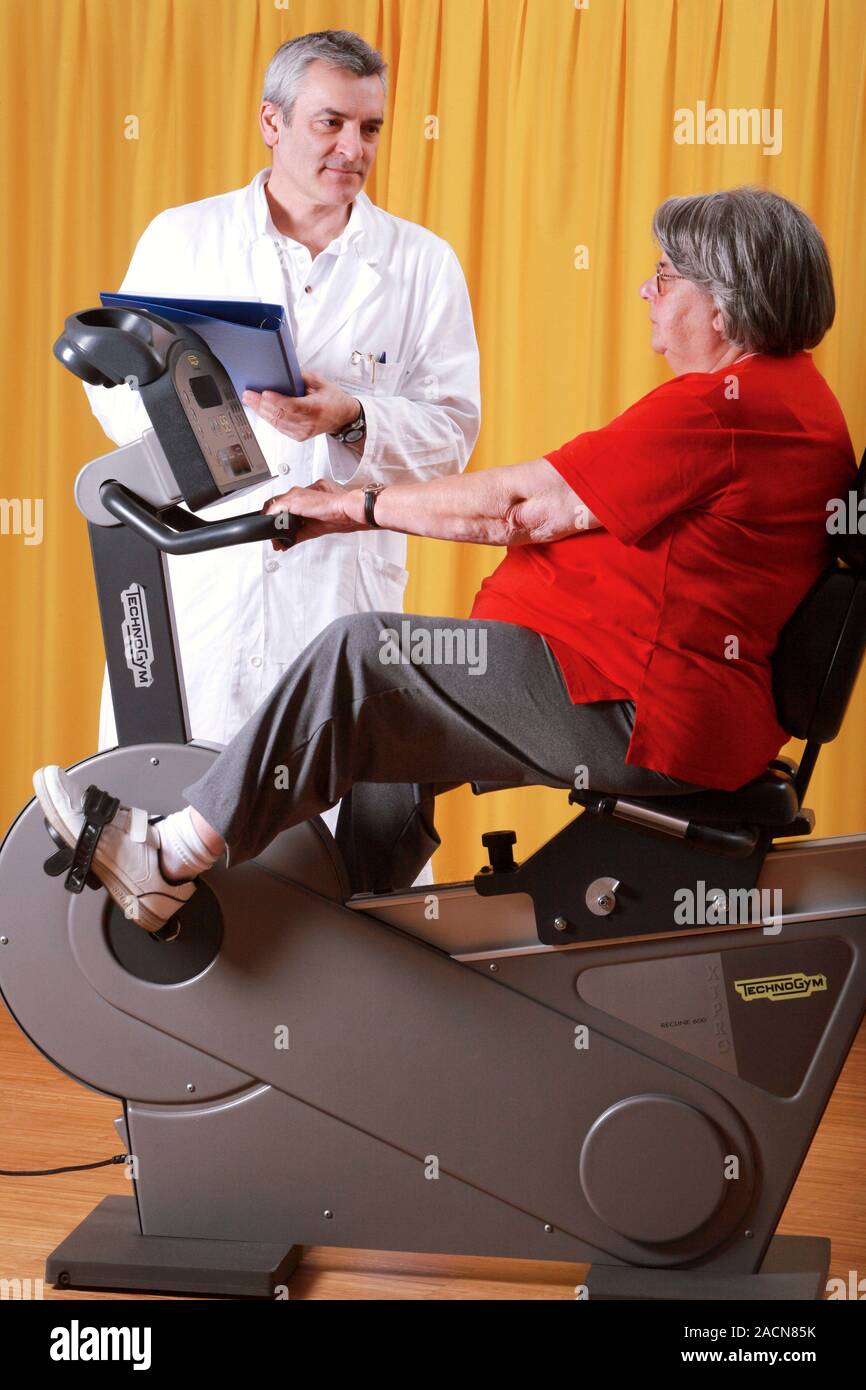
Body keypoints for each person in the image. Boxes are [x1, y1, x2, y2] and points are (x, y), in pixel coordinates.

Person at [36, 187, 857, 934]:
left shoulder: (725, 410)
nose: (647, 289)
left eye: (666, 276)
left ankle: (166, 859)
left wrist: (348, 506)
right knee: (390, 736)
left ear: (723, 306)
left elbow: (521, 507)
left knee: (363, 658)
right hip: (641, 686)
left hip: (641, 708)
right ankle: (358, 940)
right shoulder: (784, 400)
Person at [82, 28, 480, 757]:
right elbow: (113, 398)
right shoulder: (185, 239)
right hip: (207, 582)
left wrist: (352, 418)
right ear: (273, 122)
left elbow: (452, 435)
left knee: (326, 844)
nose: (353, 149)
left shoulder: (423, 264)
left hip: (337, 590)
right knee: (166, 811)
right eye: (330, 123)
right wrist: (216, 417)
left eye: (369, 128)